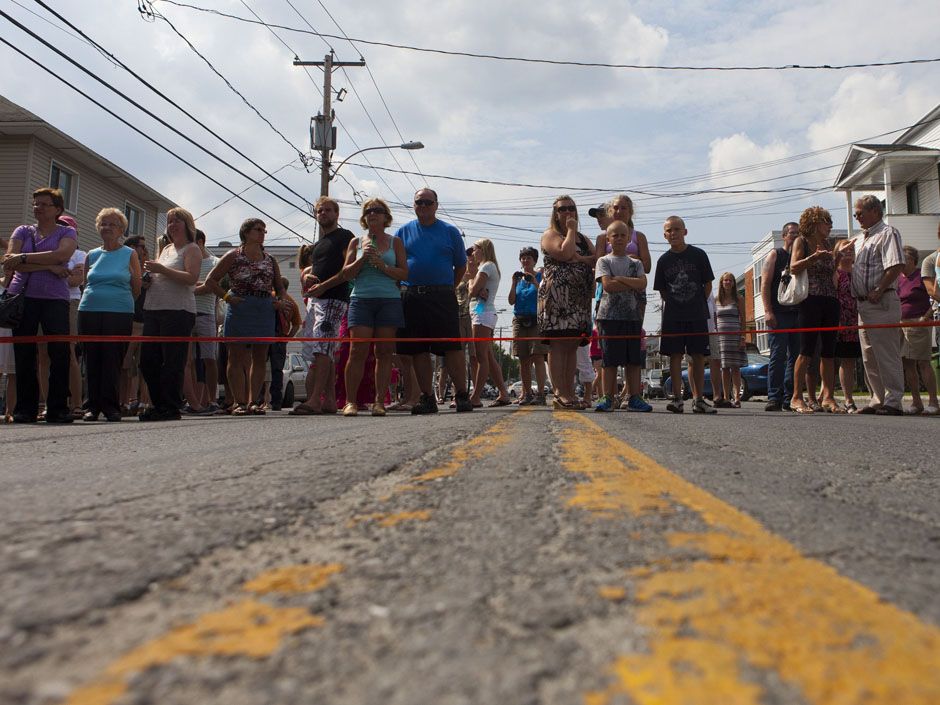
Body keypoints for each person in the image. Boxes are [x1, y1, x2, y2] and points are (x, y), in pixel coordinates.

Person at [2, 187, 77, 424]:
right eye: (36, 204)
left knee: (59, 352)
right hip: (22, 297)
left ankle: (57, 408)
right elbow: (9, 261)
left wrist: (25, 259)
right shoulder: (22, 231)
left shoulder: (67, 231)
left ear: (57, 209)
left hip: (55, 298)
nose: (38, 208)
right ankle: (26, 408)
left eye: (44, 204)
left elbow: (61, 255)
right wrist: (48, 266)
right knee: (24, 353)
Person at [396, 188, 473, 414]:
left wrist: (447, 286)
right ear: (413, 205)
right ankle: (427, 397)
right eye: (419, 202)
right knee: (418, 349)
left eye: (428, 203)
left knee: (451, 347)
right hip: (411, 295)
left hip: (442, 295)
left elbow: (460, 267)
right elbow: (399, 264)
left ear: (436, 205)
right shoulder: (403, 232)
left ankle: (461, 395)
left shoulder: (450, 232)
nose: (423, 206)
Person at [206, 218, 285, 416]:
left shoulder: (270, 259)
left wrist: (280, 300)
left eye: (264, 230)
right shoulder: (233, 256)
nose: (262, 233)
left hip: (264, 307)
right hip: (240, 306)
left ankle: (253, 402)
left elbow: (280, 287)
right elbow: (211, 281)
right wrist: (227, 298)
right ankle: (239, 402)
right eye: (258, 230)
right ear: (246, 232)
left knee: (260, 357)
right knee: (235, 355)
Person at [340, 198, 408, 417]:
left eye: (377, 211)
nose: (372, 214)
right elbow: (346, 274)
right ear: (364, 217)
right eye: (368, 211)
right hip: (361, 299)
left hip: (389, 299)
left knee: (384, 352)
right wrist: (363, 259)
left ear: (385, 217)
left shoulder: (395, 242)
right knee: (357, 350)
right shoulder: (356, 243)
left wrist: (383, 266)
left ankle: (379, 401)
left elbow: (404, 273)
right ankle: (351, 402)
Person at [290, 197, 353, 415]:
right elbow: (318, 272)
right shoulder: (317, 246)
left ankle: (316, 399)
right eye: (319, 211)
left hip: (334, 299)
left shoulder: (345, 237)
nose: (323, 214)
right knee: (320, 349)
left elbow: (349, 270)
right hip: (316, 300)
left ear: (337, 214)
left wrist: (324, 286)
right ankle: (329, 400)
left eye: (328, 210)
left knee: (323, 347)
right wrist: (310, 280)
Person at [77, 208, 141, 421]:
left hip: (119, 311)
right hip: (89, 310)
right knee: (91, 358)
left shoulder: (129, 254)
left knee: (113, 359)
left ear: (121, 229)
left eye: (112, 224)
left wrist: (118, 299)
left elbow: (136, 286)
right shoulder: (92, 254)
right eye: (103, 223)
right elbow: (86, 283)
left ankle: (112, 406)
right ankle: (92, 406)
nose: (107, 228)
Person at [139, 207, 201, 421]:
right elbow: (159, 274)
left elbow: (191, 278)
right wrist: (147, 280)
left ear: (187, 224)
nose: (172, 225)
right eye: (169, 221)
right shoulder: (165, 250)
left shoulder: (192, 249)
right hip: (153, 308)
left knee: (173, 361)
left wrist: (161, 270)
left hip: (178, 311)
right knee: (148, 360)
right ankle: (159, 403)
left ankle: (171, 406)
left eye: (177, 221)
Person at [654, 216, 716, 414]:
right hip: (673, 315)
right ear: (664, 235)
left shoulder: (699, 255)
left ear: (685, 231)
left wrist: (694, 302)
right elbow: (663, 291)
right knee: (675, 355)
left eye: (677, 229)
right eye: (669, 231)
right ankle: (677, 398)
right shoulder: (663, 261)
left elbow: (707, 284)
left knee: (698, 356)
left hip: (697, 314)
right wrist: (678, 302)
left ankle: (698, 399)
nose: (673, 233)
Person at [538, 195, 595, 410]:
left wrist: (579, 259)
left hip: (578, 300)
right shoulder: (550, 234)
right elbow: (564, 253)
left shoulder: (582, 237)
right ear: (555, 213)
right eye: (563, 209)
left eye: (571, 208)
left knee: (572, 345)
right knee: (558, 345)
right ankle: (560, 393)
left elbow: (595, 258)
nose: (568, 212)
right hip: (557, 298)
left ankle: (570, 392)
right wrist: (570, 231)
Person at [851, 195, 904, 415]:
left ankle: (894, 401)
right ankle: (877, 398)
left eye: (860, 213)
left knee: (886, 352)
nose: (857, 218)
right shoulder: (860, 239)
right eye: (855, 214)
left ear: (875, 211)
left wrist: (879, 289)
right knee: (869, 355)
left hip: (881, 301)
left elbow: (896, 264)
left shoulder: (887, 233)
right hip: (863, 304)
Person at [788, 207, 842, 414]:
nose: (830, 226)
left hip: (830, 299)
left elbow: (830, 272)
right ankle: (796, 397)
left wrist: (838, 257)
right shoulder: (801, 241)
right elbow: (793, 267)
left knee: (829, 352)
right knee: (806, 350)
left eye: (830, 222)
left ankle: (827, 396)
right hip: (810, 300)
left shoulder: (828, 244)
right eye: (826, 222)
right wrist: (813, 258)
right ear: (814, 223)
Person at [593, 220, 649, 412]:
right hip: (608, 317)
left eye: (622, 235)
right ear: (608, 239)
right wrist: (631, 282)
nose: (618, 238)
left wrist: (621, 279)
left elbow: (642, 284)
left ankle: (634, 397)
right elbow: (607, 285)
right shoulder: (603, 261)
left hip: (632, 316)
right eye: (614, 235)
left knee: (633, 360)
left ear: (628, 239)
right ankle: (608, 397)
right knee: (609, 360)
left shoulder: (636, 263)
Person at [761, 222, 801, 412]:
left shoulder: (801, 256)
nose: (795, 236)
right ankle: (774, 396)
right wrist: (768, 311)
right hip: (779, 314)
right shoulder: (775, 255)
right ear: (784, 236)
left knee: (795, 357)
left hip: (798, 313)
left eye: (797, 233)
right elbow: (765, 285)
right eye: (792, 233)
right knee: (777, 356)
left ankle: (788, 397)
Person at [468, 238, 511, 408]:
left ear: (483, 250)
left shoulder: (487, 266)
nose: (472, 253)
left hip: (483, 313)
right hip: (481, 312)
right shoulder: (486, 267)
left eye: (475, 249)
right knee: (488, 357)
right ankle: (503, 393)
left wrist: (471, 282)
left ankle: (476, 396)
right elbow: (476, 290)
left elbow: (472, 290)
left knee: (481, 356)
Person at [898, 245, 939, 415]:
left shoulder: (921, 275)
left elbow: (934, 297)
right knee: (907, 363)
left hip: (919, 322)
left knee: (923, 362)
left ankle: (933, 402)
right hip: (901, 323)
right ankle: (916, 402)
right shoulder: (898, 278)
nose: (901, 262)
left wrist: (926, 317)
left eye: (904, 259)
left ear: (913, 260)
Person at [183, 229, 220, 414]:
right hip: (186, 312)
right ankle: (194, 401)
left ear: (201, 241)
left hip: (206, 314)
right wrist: (195, 285)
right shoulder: (185, 260)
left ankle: (212, 399)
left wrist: (191, 286)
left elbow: (212, 286)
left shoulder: (215, 262)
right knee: (187, 360)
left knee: (209, 359)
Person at [508, 246, 548, 406]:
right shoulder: (518, 280)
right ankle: (527, 393)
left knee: (538, 356)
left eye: (528, 258)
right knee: (523, 358)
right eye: (523, 258)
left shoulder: (540, 276)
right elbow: (511, 301)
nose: (525, 261)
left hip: (536, 319)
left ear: (534, 260)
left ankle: (540, 393)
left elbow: (544, 296)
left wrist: (535, 282)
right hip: (519, 319)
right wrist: (513, 282)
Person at [120, 235, 151, 415]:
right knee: (125, 363)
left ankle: (143, 402)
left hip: (146, 320)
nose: (144, 250)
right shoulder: (124, 266)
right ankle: (125, 401)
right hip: (129, 320)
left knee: (144, 364)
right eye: (142, 247)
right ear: (132, 247)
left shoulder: (148, 268)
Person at [833, 241, 862, 413]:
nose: (849, 252)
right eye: (845, 250)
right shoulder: (835, 273)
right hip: (842, 320)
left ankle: (877, 397)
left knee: (867, 359)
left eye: (851, 249)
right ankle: (848, 399)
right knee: (846, 360)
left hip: (862, 317)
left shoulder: (859, 271)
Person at [714, 272, 747, 408]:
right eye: (725, 280)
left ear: (733, 283)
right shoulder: (716, 300)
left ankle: (737, 397)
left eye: (730, 280)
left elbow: (743, 319)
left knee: (735, 368)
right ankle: (726, 397)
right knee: (724, 368)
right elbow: (714, 320)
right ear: (721, 283)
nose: (727, 282)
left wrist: (743, 337)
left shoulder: (739, 298)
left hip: (735, 336)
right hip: (721, 338)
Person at [269, 276, 302, 410]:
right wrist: (288, 337)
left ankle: (258, 399)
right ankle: (276, 402)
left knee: (258, 366)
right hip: (280, 338)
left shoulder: (270, 298)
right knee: (277, 370)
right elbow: (296, 325)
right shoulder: (291, 302)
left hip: (266, 335)